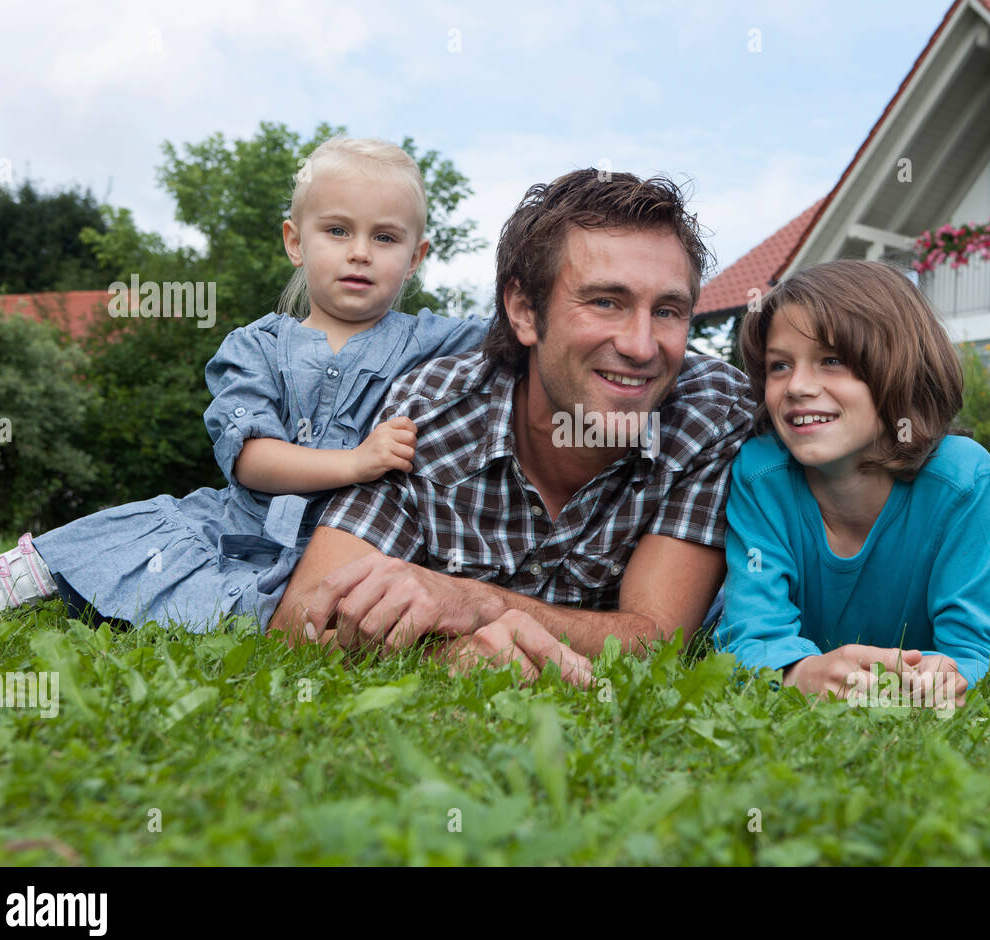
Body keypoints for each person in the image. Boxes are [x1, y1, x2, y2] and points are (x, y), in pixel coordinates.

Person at [0, 136, 487, 632]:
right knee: (149, 541)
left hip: (347, 545)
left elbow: (523, 334)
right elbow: (250, 458)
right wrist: (356, 462)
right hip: (239, 527)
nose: (360, 252)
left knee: (323, 614)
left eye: (386, 237)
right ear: (295, 241)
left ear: (416, 258)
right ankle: (25, 574)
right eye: (338, 230)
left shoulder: (432, 339)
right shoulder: (255, 347)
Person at [268, 169, 754, 686]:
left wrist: (475, 603)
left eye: (667, 310)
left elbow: (660, 640)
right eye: (605, 302)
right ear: (524, 310)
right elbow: (299, 621)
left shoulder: (713, 412)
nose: (640, 345)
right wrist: (443, 659)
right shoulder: (431, 411)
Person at [714, 260, 990, 710]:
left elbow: (974, 650)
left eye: (831, 361)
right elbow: (751, 636)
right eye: (779, 365)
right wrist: (798, 673)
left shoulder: (964, 480)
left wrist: (948, 676)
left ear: (901, 365)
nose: (798, 386)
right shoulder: (761, 473)